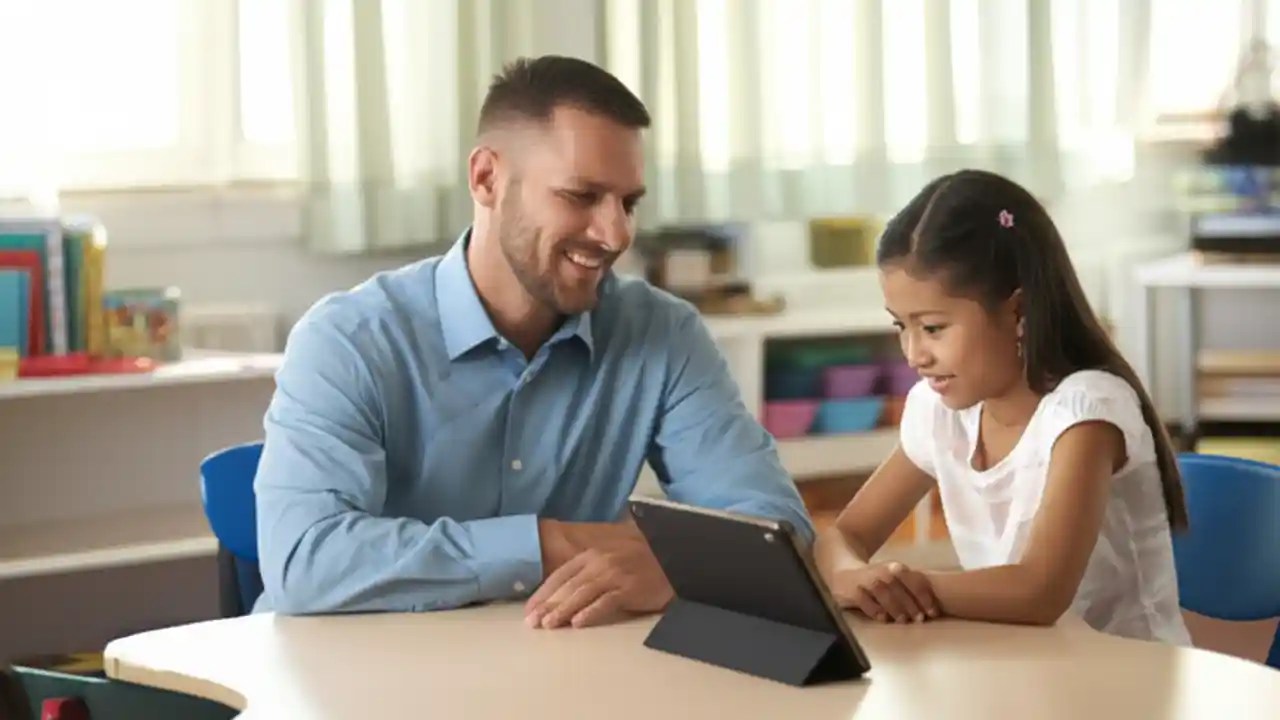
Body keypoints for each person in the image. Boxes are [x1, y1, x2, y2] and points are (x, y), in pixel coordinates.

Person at [251, 55, 813, 628]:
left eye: (629, 203)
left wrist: (674, 566)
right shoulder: (348, 341)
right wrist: (550, 545)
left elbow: (773, 526)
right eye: (580, 195)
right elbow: (304, 560)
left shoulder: (662, 334)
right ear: (486, 179)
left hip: (553, 672)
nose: (616, 233)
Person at [814, 169, 1192, 645]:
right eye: (900, 327)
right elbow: (843, 537)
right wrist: (850, 575)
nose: (914, 354)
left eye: (932, 328)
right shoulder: (941, 412)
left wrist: (906, 587)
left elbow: (1039, 591)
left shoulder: (1086, 413)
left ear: (1017, 312)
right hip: (1027, 671)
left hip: (1129, 688)